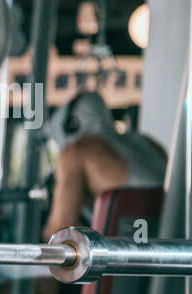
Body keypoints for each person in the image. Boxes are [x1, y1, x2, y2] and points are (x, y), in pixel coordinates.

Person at [41, 90, 167, 239]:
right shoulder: (148, 142)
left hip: (120, 256)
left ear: (71, 126)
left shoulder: (75, 152)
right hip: (171, 251)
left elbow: (59, 234)